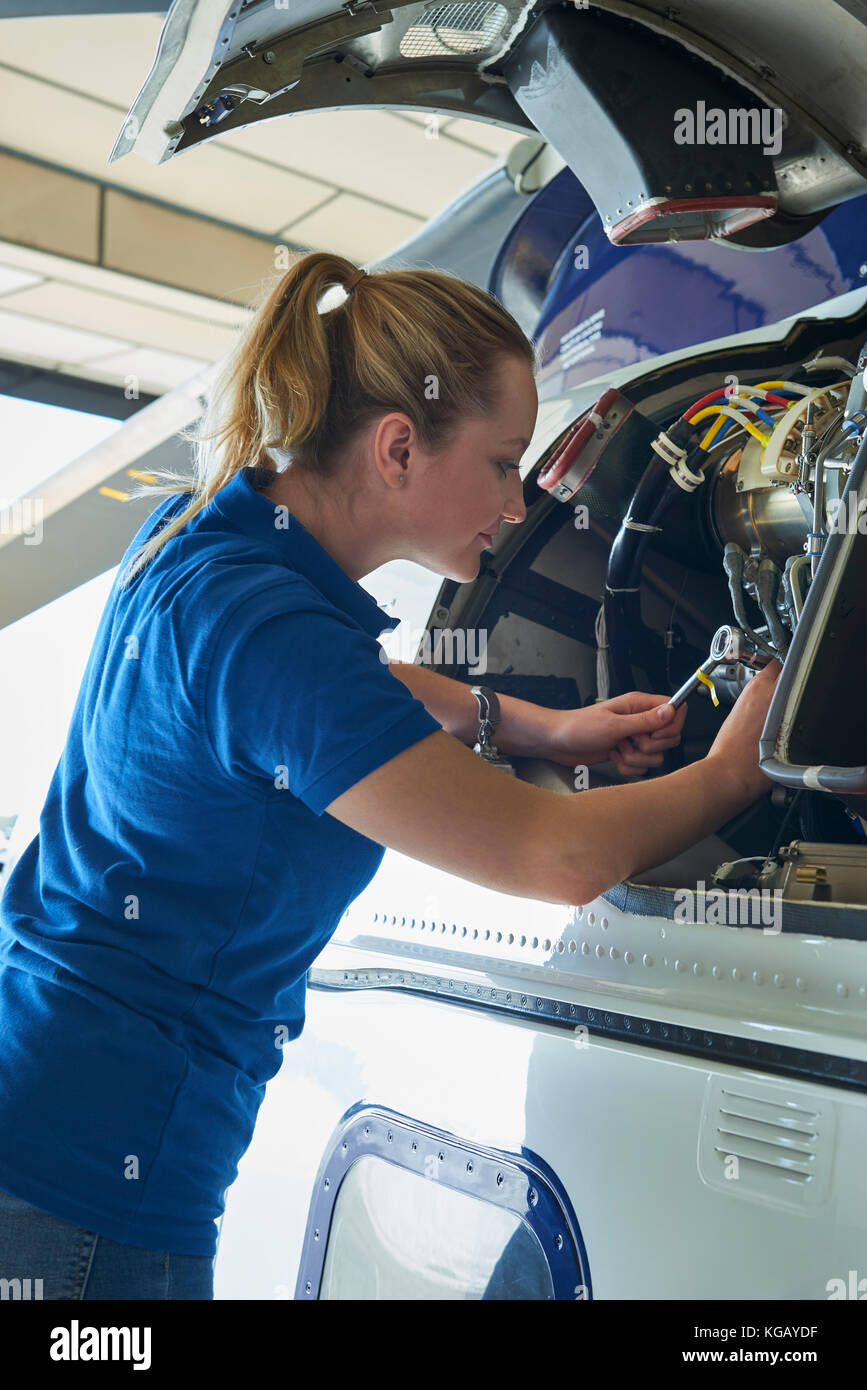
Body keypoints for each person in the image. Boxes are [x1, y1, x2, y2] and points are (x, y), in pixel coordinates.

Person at [0, 251, 781, 1300]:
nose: (516, 501)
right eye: (504, 462)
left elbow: (345, 689)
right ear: (399, 446)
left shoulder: (193, 543)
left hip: (41, 1107)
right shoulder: (269, 632)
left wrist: (535, 725)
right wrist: (740, 765)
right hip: (87, 1185)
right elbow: (551, 857)